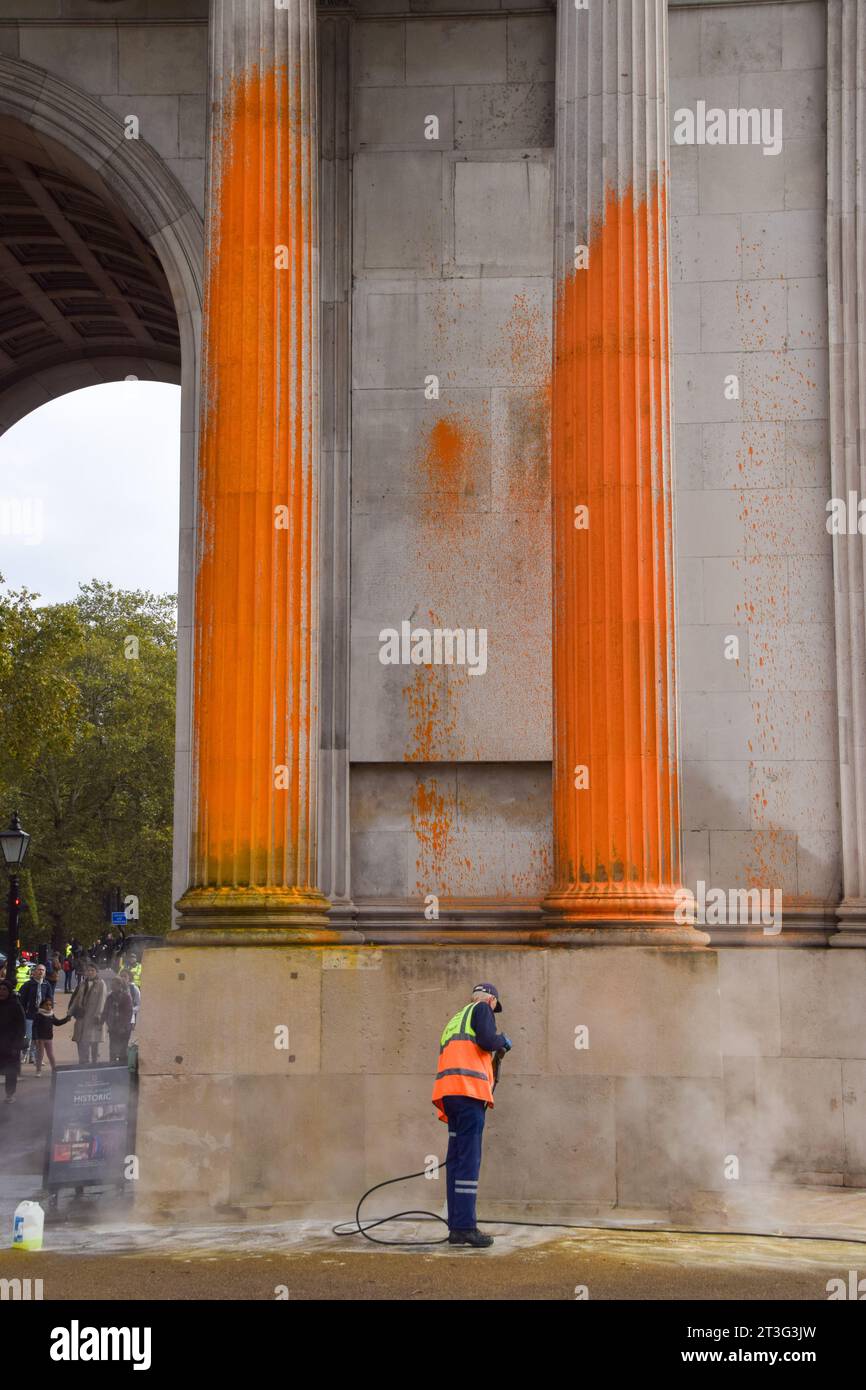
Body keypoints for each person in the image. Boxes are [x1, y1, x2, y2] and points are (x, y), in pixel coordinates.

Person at [431, 982, 513, 1249]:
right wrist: (502, 1041)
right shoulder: (481, 1009)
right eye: (494, 1006)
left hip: (450, 1095)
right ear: (490, 1000)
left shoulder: (456, 1019)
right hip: (468, 1094)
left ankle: (456, 1227)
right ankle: (466, 1227)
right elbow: (488, 1040)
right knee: (468, 1161)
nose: (493, 1011)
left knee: (455, 1161)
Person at [67, 963, 106, 1066]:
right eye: (88, 970)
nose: (90, 972)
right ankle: (83, 1062)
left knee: (94, 1042)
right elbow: (76, 999)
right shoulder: (82, 984)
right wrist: (70, 1012)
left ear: (96, 972)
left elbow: (102, 1001)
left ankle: (94, 1064)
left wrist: (98, 1015)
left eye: (92, 970)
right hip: (82, 1017)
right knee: (81, 1041)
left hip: (93, 1018)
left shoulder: (101, 984)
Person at [18, 963, 54, 1064]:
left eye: (42, 970)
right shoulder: (28, 985)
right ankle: (25, 1054)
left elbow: (50, 999)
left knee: (38, 1038)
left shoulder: (47, 985)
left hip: (42, 1016)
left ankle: (34, 1057)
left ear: (45, 972)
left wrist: (49, 1011)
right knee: (29, 1037)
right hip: (30, 1014)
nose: (40, 972)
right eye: (38, 970)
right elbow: (22, 1001)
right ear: (34, 972)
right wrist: (23, 1013)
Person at [0, 981, 26, 1103]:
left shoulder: (15, 1005)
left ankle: (9, 1094)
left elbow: (21, 1027)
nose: (2, 992)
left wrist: (17, 1044)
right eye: (0, 989)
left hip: (11, 1045)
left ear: (9, 991)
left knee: (11, 1072)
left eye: (4, 989)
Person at [33, 996, 72, 1076]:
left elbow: (57, 1022)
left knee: (50, 1054)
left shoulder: (51, 1014)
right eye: (46, 1005)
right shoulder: (38, 1015)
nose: (48, 1007)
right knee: (40, 1055)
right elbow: (34, 1027)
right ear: (42, 1005)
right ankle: (38, 1071)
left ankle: (54, 1069)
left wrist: (66, 1019)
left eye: (50, 1005)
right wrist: (35, 1038)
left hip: (49, 1038)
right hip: (40, 1038)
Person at [102, 977, 133, 1064]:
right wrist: (102, 1022)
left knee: (123, 1051)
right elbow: (105, 1011)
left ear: (120, 985)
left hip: (124, 1029)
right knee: (112, 1051)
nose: (112, 986)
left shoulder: (126, 997)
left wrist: (122, 1027)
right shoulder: (110, 997)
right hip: (113, 1029)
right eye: (111, 985)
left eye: (114, 985)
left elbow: (129, 1014)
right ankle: (112, 1070)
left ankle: (122, 1070)